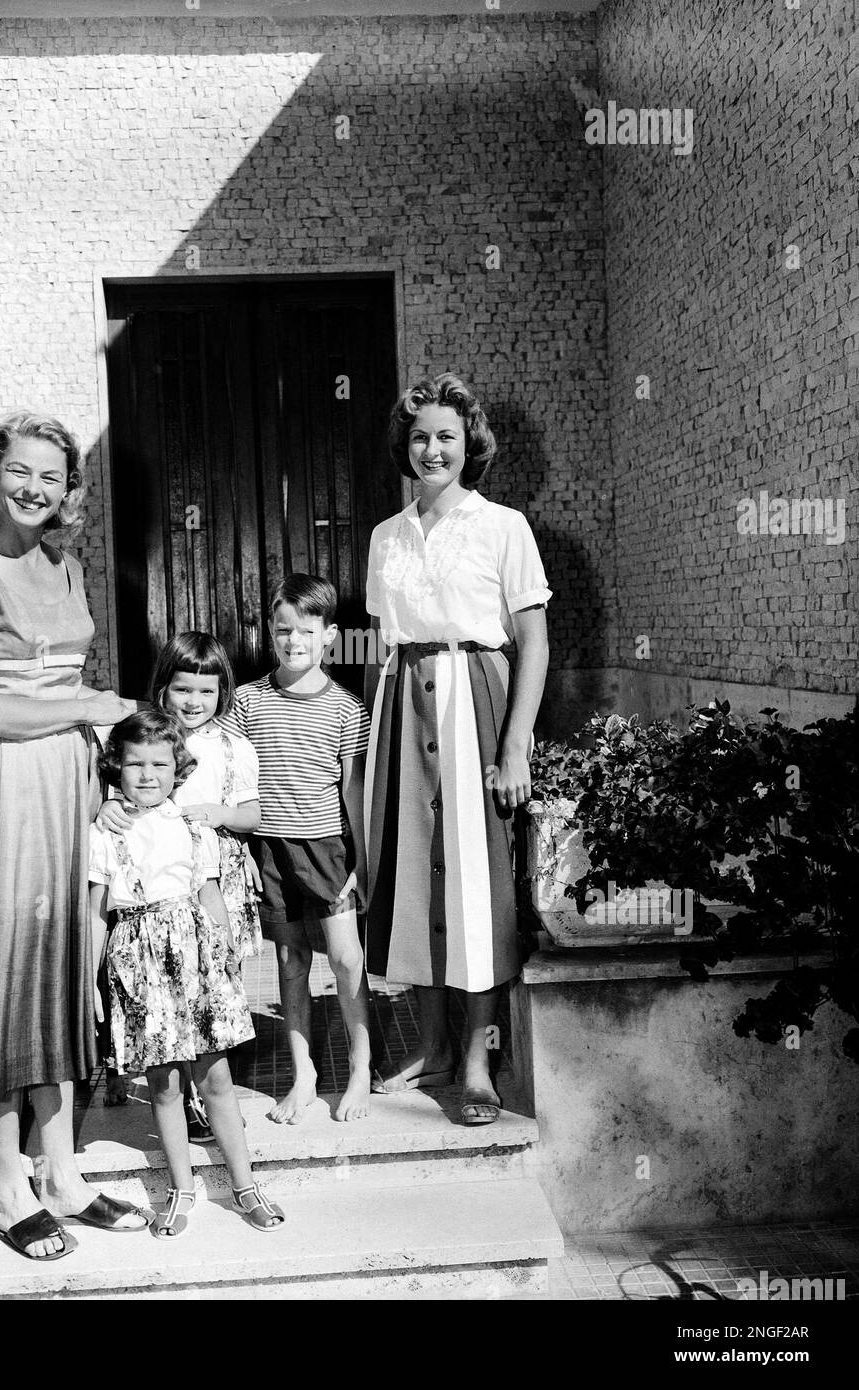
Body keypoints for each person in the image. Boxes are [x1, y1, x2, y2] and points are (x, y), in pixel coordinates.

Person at [0, 411, 150, 1261]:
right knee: (2, 977)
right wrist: (88, 707)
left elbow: (68, 676)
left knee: (57, 973)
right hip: (4, 786)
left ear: (68, 489)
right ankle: (8, 1185)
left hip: (65, 784)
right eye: (19, 471)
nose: (35, 489)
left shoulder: (67, 562)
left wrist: (103, 765)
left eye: (52, 476)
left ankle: (63, 1174)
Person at [363, 373, 551, 1125]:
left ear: (469, 442)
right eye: (418, 436)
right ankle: (434, 1045)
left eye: (445, 434)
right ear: (403, 449)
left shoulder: (503, 526)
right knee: (414, 882)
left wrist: (516, 749)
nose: (431, 448)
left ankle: (477, 1062)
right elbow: (383, 644)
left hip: (478, 697)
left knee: (476, 887)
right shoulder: (386, 535)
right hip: (403, 703)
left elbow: (533, 643)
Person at [89, 709, 284, 1236]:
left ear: (179, 769)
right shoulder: (106, 832)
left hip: (200, 962)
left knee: (217, 1078)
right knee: (165, 1084)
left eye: (159, 764)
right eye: (135, 764)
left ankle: (245, 1184)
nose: (147, 775)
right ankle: (181, 1187)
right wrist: (90, 980)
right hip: (139, 962)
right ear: (116, 767)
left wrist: (227, 970)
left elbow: (211, 898)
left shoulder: (195, 828)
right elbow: (96, 911)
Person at [97, 631, 262, 1141]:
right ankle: (180, 1098)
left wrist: (221, 815)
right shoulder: (144, 736)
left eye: (206, 691)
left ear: (222, 692)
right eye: (182, 689)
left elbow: (252, 813)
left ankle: (216, 1093)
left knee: (212, 990)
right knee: (160, 992)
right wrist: (105, 807)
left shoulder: (232, 746)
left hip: (211, 871)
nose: (193, 702)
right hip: (149, 879)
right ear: (163, 688)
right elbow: (114, 794)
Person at [224, 574, 372, 1125]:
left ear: (329, 635)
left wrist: (363, 860)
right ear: (269, 631)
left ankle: (359, 1068)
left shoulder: (346, 709)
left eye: (306, 631)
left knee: (345, 959)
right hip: (272, 850)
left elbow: (351, 790)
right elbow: (230, 775)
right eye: (282, 630)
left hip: (328, 850)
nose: (293, 641)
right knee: (290, 961)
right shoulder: (246, 702)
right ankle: (303, 1075)